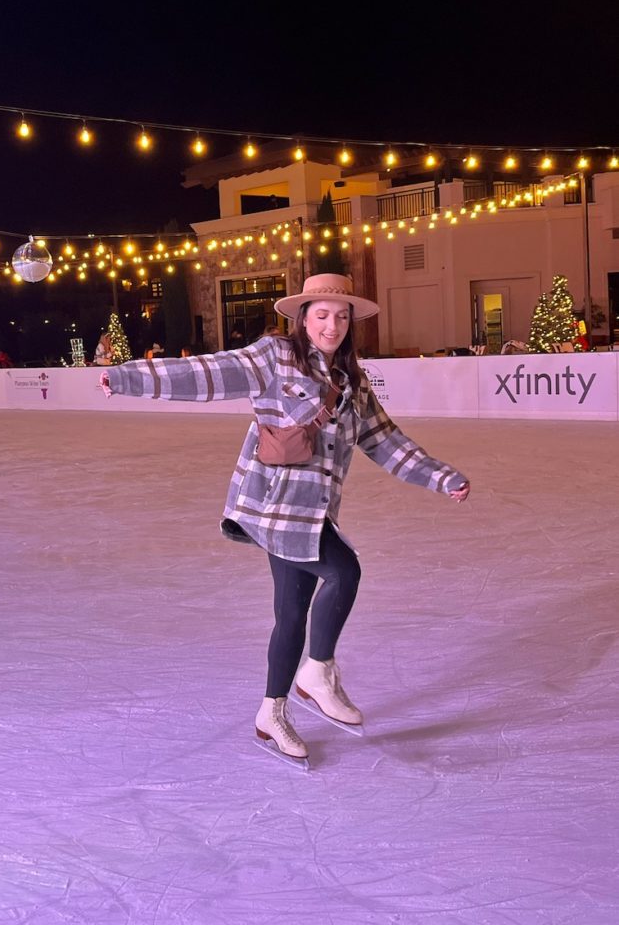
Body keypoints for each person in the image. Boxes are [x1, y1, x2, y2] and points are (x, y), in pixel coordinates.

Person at [99, 273, 470, 764]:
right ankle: (316, 674)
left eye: (341, 317)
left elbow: (386, 441)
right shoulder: (274, 357)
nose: (331, 326)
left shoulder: (351, 382)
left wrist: (441, 477)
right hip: (275, 505)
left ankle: (270, 713)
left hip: (313, 509)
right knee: (344, 571)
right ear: (303, 318)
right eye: (321, 315)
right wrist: (125, 377)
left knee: (291, 614)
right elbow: (207, 374)